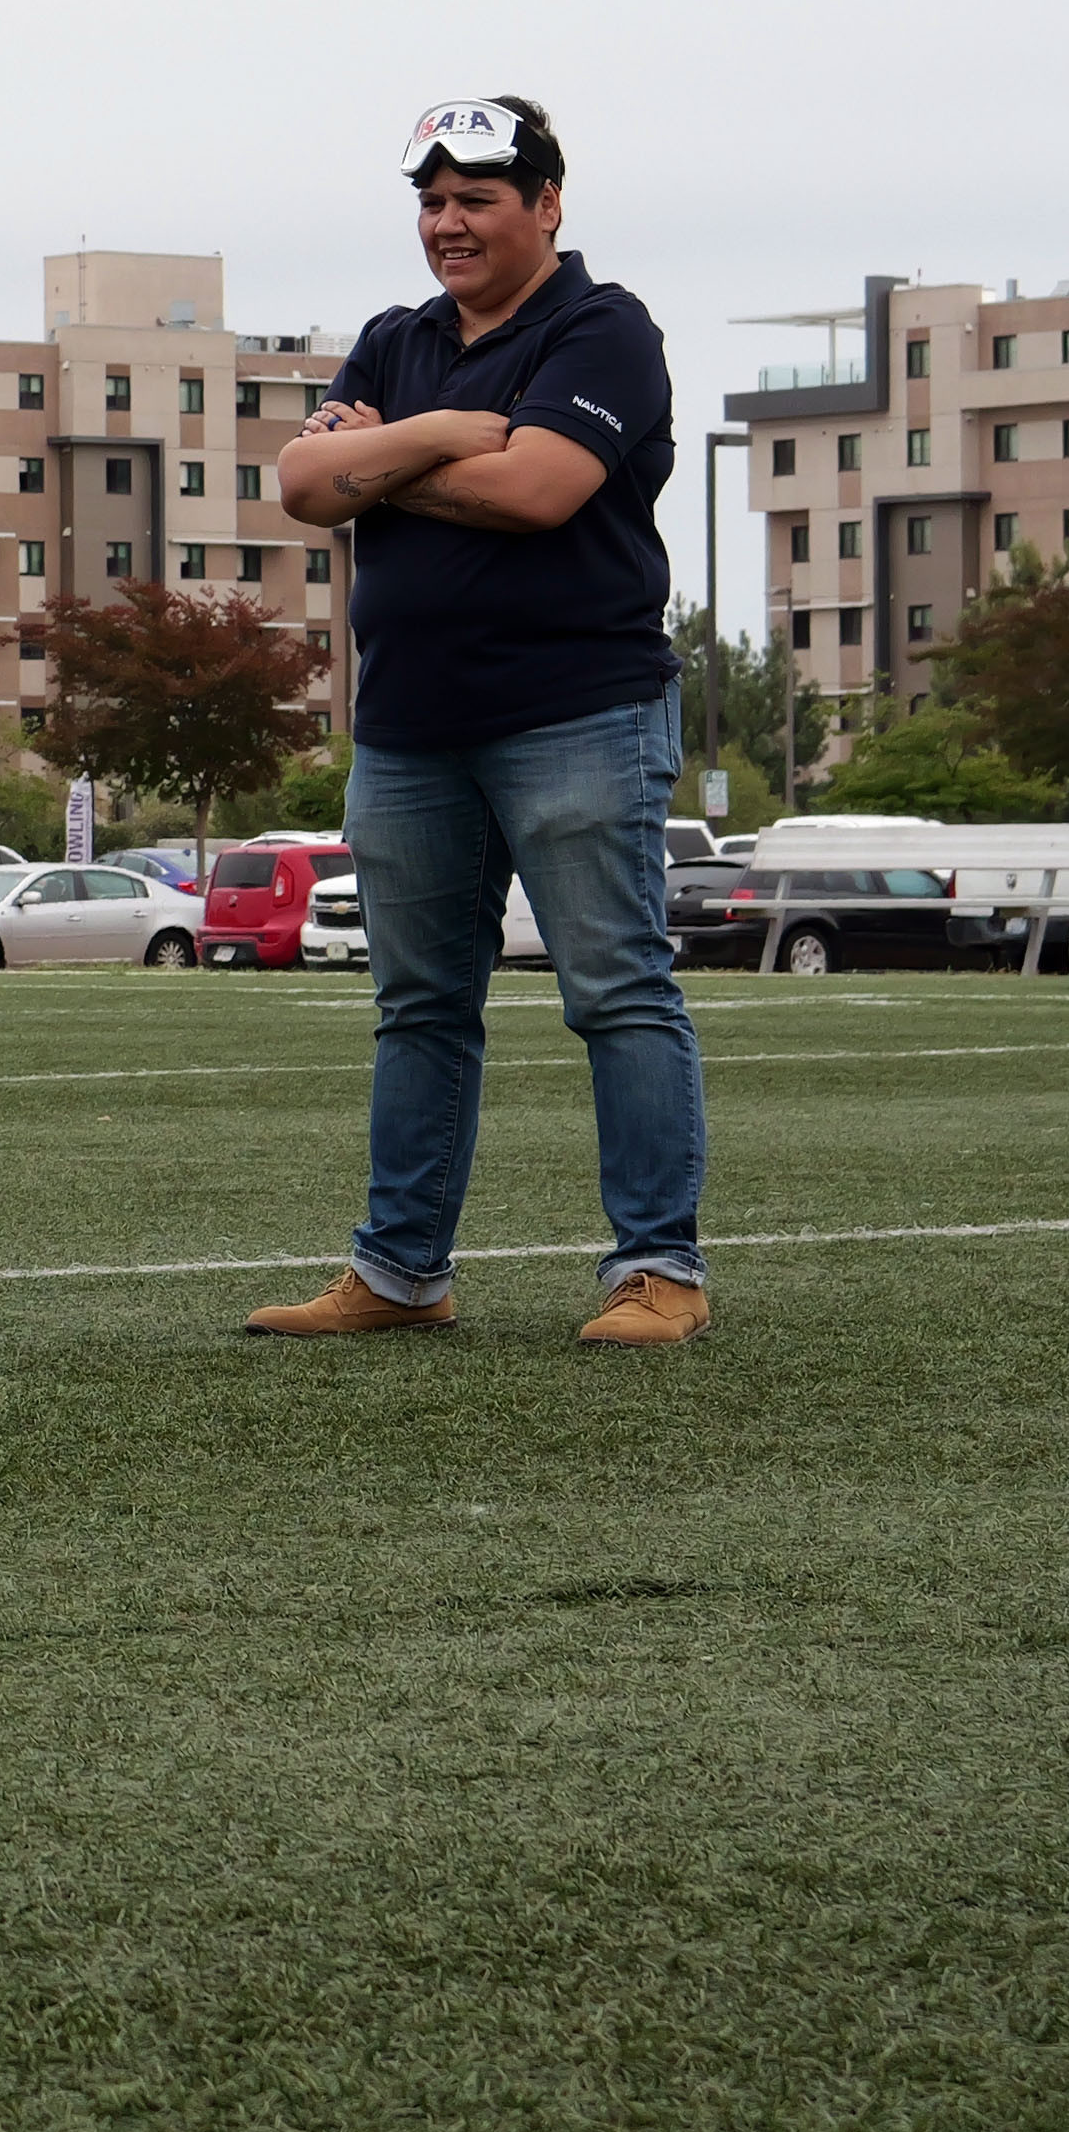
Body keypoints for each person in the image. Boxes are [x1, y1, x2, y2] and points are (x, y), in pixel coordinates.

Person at [244, 96, 716, 1346]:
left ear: (547, 204)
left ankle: (657, 1269)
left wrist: (383, 458)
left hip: (579, 712)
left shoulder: (602, 328)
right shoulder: (396, 338)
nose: (447, 224)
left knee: (614, 990)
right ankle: (401, 1274)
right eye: (431, 201)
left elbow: (541, 492)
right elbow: (301, 485)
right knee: (419, 1004)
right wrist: (452, 428)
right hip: (407, 726)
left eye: (478, 199)